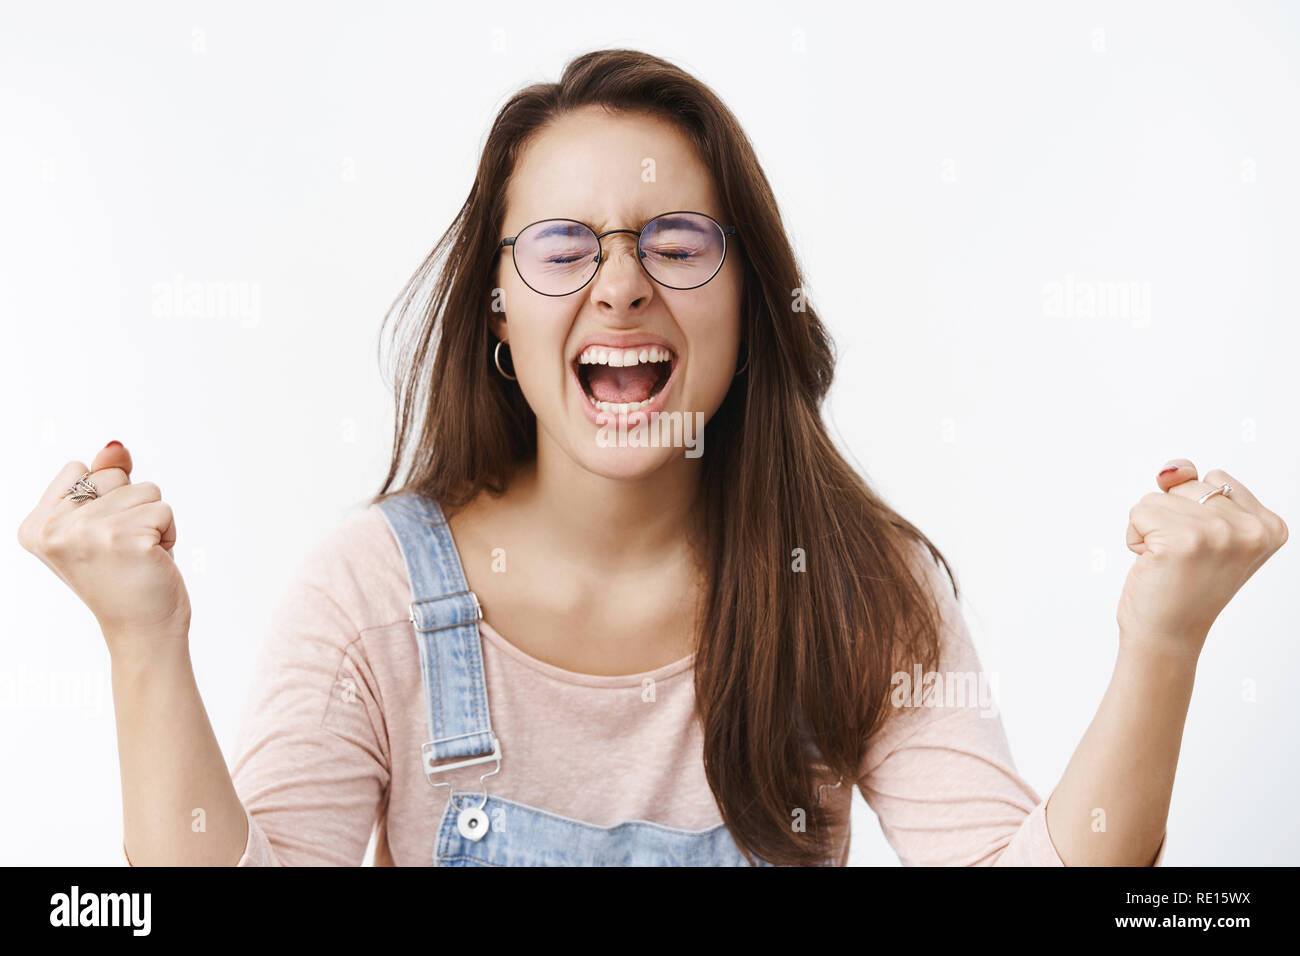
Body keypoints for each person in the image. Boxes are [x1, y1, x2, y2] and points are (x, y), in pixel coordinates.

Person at [17, 49, 1288, 867]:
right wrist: (144, 638)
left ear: (751, 304)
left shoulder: (855, 585)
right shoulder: (369, 592)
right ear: (498, 319)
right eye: (564, 249)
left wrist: (1162, 642)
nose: (620, 285)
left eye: (676, 242)